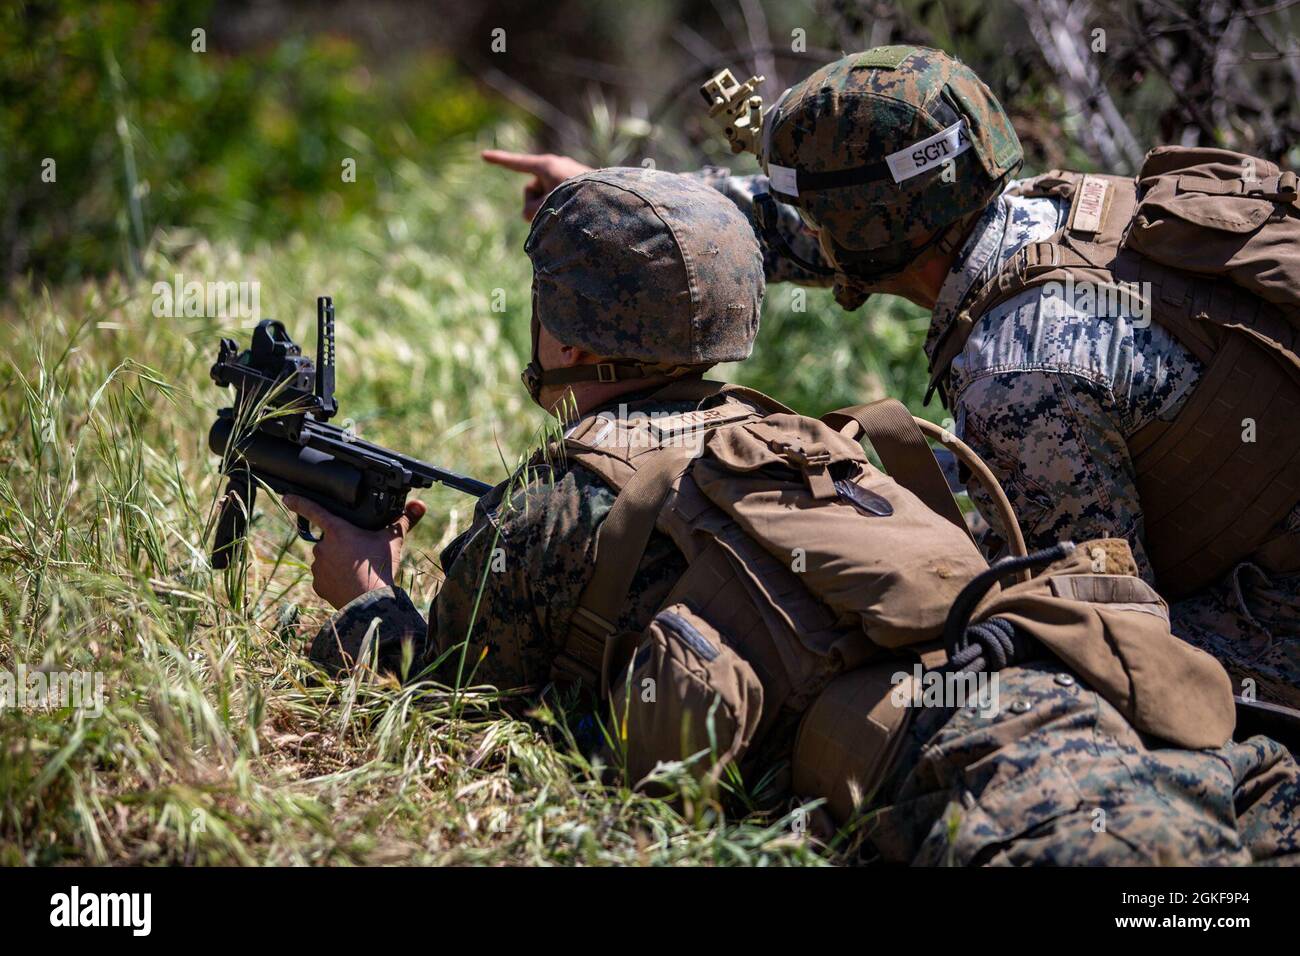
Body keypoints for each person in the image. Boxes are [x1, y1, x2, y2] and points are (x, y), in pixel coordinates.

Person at [287, 167, 1300, 865]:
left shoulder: (556, 497)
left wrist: (361, 585)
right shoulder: (810, 438)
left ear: (564, 320)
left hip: (985, 794)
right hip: (1104, 720)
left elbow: (433, 704)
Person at [481, 45, 1300, 709]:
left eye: (820, 214)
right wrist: (608, 203)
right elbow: (829, 231)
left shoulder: (1019, 372)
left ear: (865, 235)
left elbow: (1111, 625)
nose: (812, 233)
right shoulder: (1064, 211)